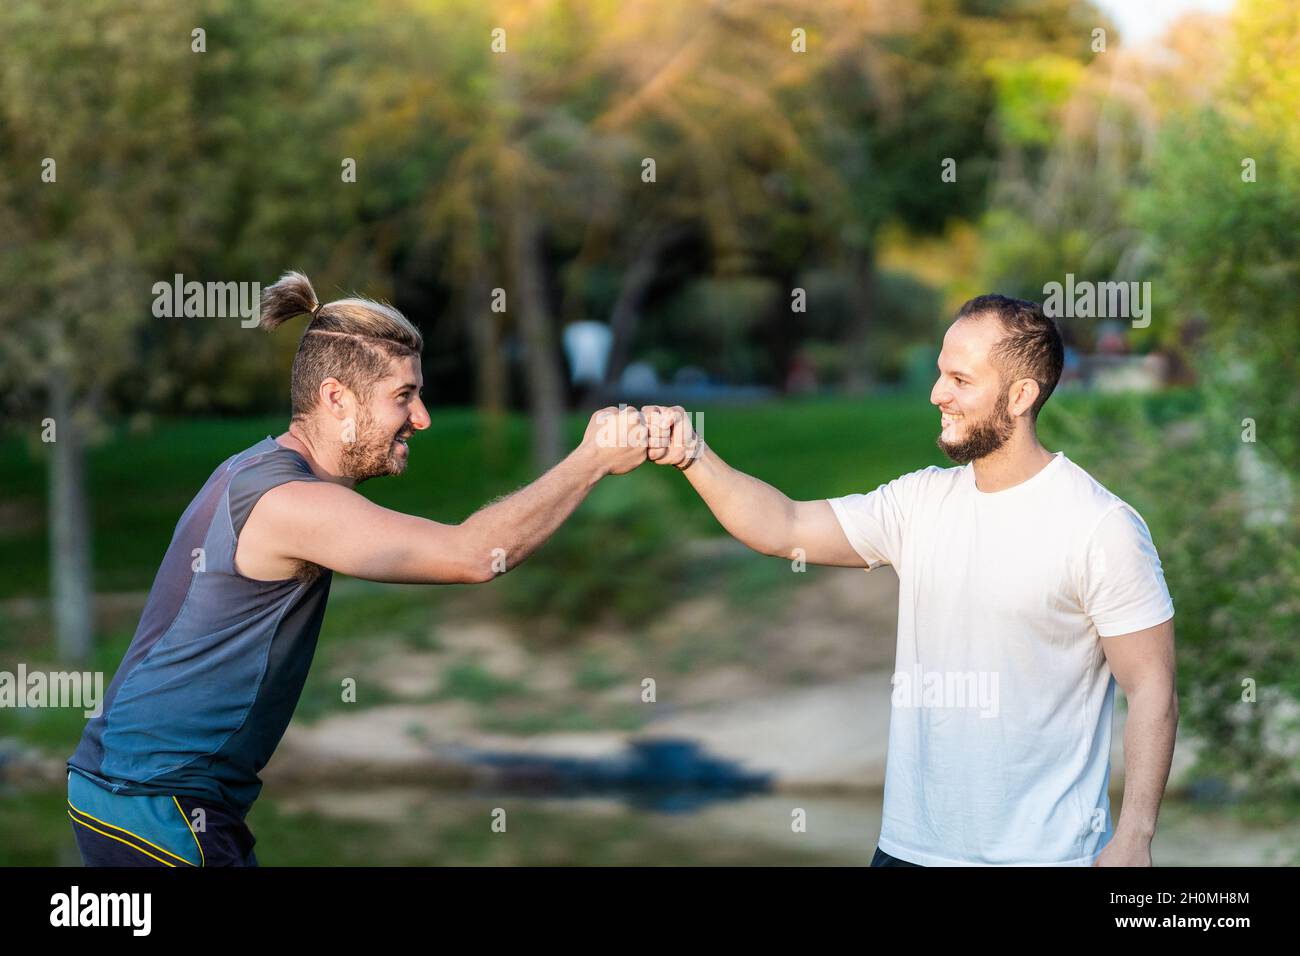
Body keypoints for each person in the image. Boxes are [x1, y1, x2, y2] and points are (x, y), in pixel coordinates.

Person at [66, 271, 649, 866]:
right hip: (154, 801)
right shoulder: (289, 503)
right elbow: (475, 555)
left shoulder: (259, 469)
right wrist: (591, 460)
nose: (421, 418)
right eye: (403, 396)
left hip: (136, 793)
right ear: (336, 398)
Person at [642, 294, 1178, 867]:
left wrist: (1134, 837)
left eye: (959, 379)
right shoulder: (919, 501)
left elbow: (1152, 689)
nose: (936, 393)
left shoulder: (1100, 527)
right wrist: (691, 453)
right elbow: (783, 526)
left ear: (1020, 396)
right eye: (940, 373)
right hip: (906, 853)